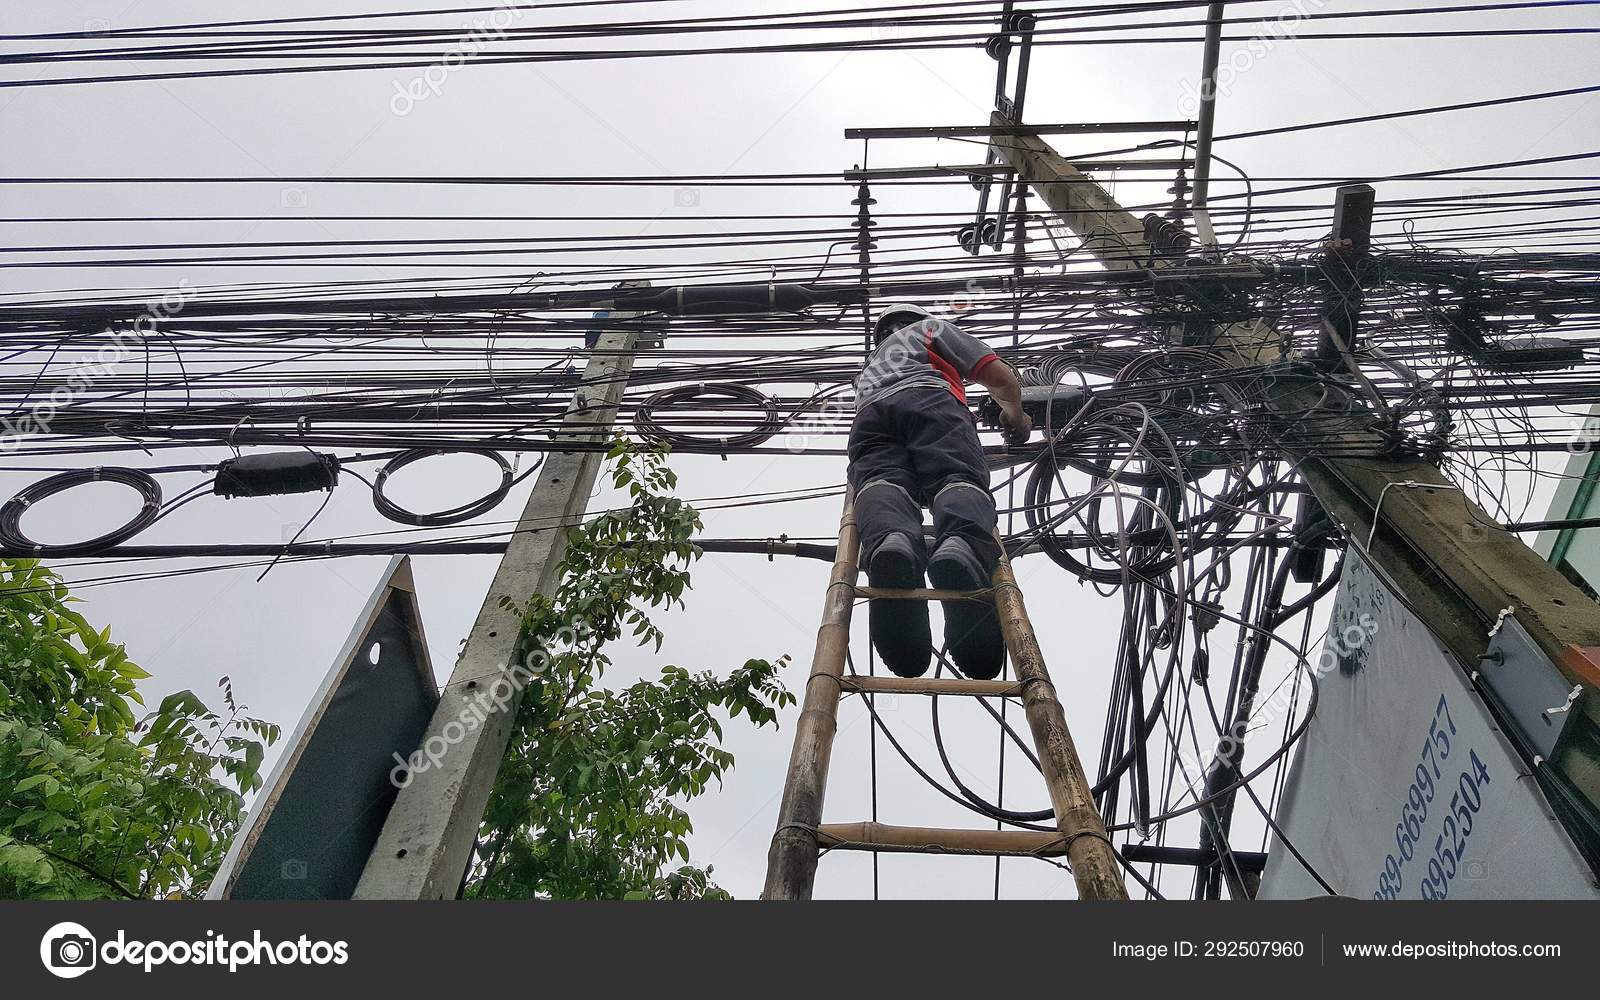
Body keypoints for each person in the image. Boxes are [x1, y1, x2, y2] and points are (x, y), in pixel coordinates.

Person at [848, 303, 1031, 680]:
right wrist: (1016, 415)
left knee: (882, 482)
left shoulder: (868, 369)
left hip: (868, 417)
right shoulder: (930, 329)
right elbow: (1000, 378)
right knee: (955, 477)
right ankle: (962, 547)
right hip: (931, 400)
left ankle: (891, 543)